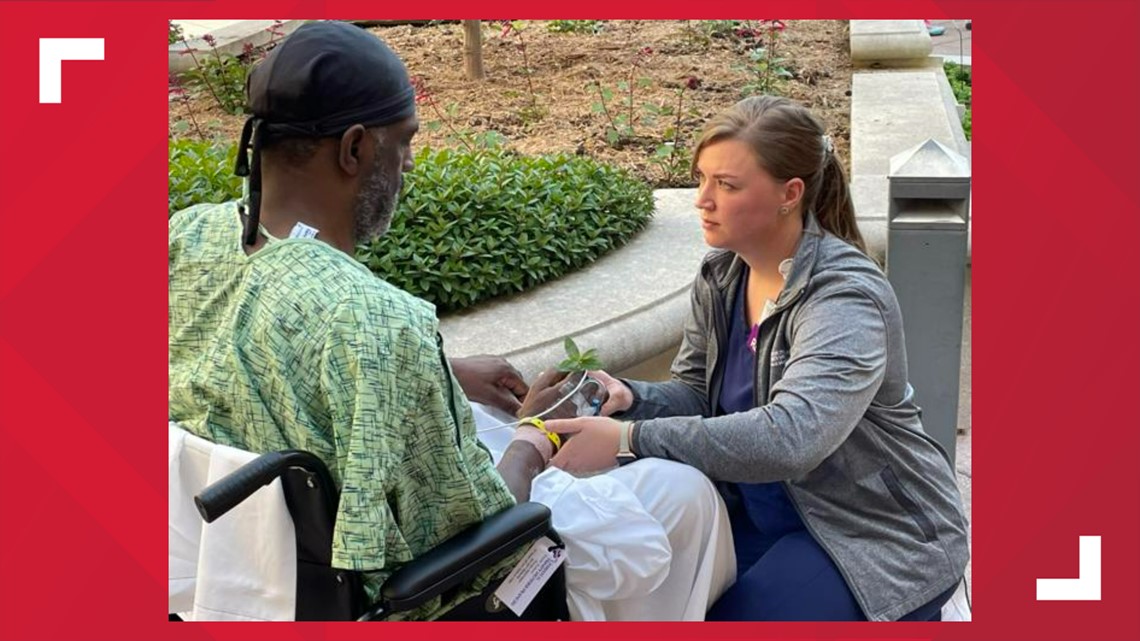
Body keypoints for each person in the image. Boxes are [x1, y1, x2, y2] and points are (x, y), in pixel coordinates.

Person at [169, 21, 732, 621]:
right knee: (684, 496)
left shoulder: (187, 237)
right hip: (420, 601)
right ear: (355, 148)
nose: (409, 164)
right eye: (404, 141)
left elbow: (247, 355)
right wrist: (534, 438)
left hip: (236, 577)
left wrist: (444, 371)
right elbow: (479, 539)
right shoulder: (374, 320)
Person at [544, 95, 970, 622]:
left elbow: (793, 438)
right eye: (700, 178)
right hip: (757, 513)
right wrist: (631, 398)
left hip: (874, 535)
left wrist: (630, 440)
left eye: (726, 185)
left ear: (790, 194)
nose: (702, 200)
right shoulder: (722, 275)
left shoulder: (844, 298)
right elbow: (698, 393)